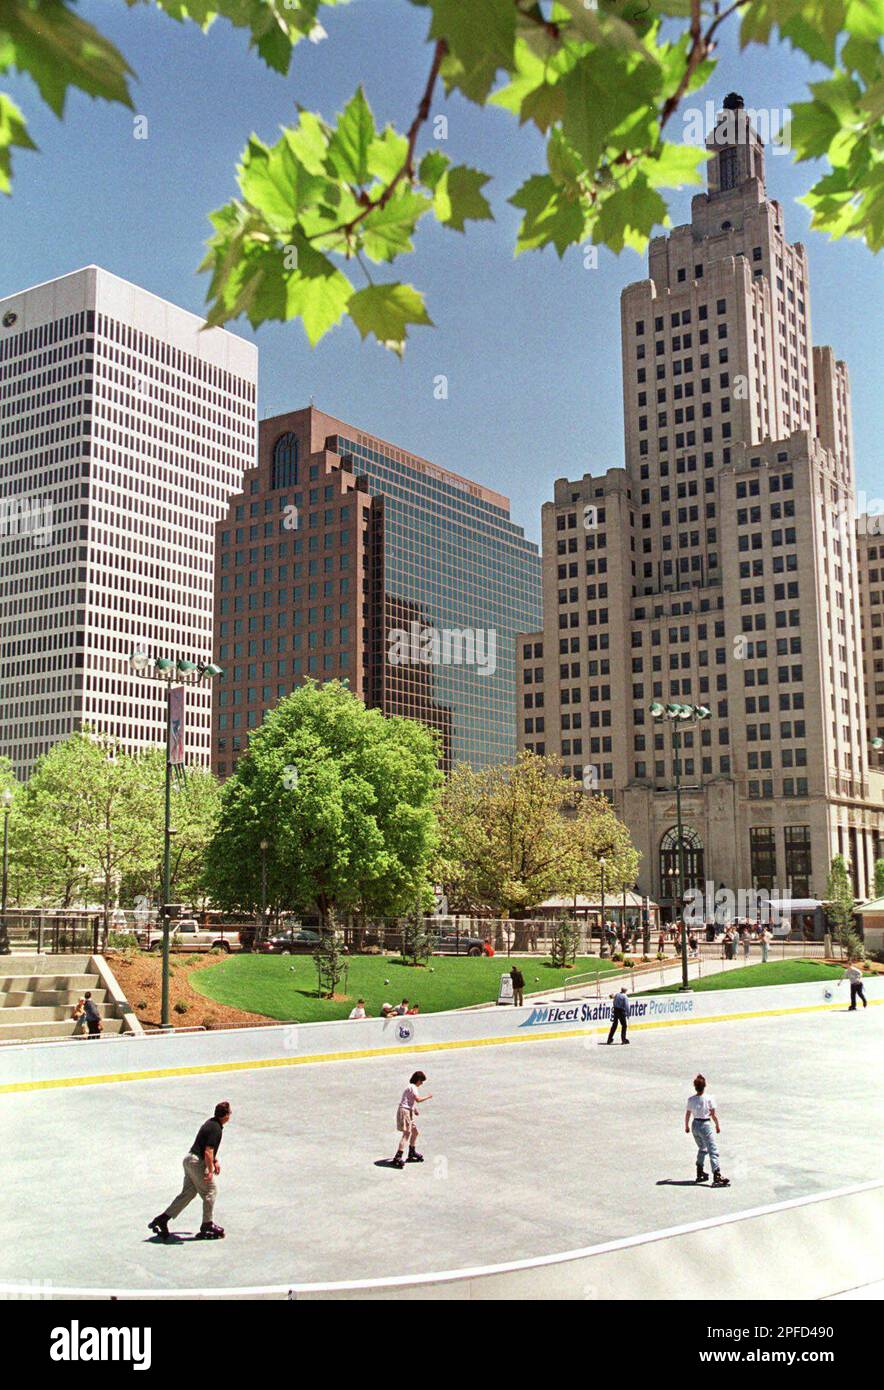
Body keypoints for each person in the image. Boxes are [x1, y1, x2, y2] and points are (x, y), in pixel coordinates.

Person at [149, 1100, 231, 1240]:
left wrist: (215, 1160)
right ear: (226, 1116)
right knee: (210, 1191)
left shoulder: (211, 1123)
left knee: (188, 1193)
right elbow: (208, 1151)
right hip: (196, 1162)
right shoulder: (216, 1128)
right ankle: (207, 1225)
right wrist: (209, 1171)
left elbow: (206, 1147)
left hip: (189, 1160)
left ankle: (163, 1219)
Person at [684, 1074, 729, 1187]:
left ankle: (700, 1171)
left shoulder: (691, 1099)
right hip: (705, 1124)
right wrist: (717, 1125)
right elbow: (713, 1114)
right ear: (705, 1086)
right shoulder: (709, 1098)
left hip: (695, 1124)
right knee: (713, 1150)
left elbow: (688, 1114)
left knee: (702, 1148)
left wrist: (687, 1126)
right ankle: (717, 1175)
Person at [392, 1071, 432, 1169]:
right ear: (418, 1080)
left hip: (408, 1111)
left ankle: (411, 1152)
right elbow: (417, 1099)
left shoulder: (410, 1088)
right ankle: (398, 1157)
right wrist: (428, 1096)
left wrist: (414, 1109)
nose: (421, 1083)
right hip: (405, 1111)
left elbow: (409, 1100)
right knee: (406, 1134)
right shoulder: (413, 1087)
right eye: (421, 1081)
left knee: (415, 1132)